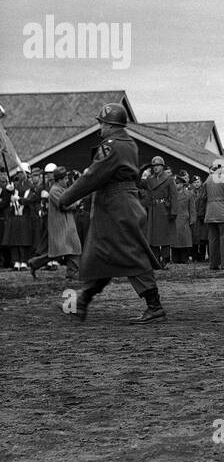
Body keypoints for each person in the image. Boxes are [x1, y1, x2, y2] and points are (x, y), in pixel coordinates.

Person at [55, 103, 166, 323]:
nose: (100, 128)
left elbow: (92, 176)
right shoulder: (129, 143)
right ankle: (82, 301)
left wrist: (65, 197)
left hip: (117, 206)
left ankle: (154, 306)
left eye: (102, 123)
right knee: (104, 255)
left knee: (130, 254)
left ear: (110, 124)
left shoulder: (111, 145)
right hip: (119, 204)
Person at [27, 164, 81, 279]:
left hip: (66, 223)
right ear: (59, 180)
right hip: (60, 225)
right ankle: (71, 271)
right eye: (65, 178)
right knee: (65, 249)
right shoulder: (55, 191)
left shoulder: (62, 189)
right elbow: (63, 205)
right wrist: (77, 203)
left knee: (67, 248)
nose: (67, 180)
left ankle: (35, 263)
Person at [143, 155, 175, 267]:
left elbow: (174, 196)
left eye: (158, 165)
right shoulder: (149, 179)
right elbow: (147, 195)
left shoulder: (169, 179)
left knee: (165, 236)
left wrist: (173, 212)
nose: (156, 167)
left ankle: (165, 259)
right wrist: (145, 209)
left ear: (162, 166)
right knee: (152, 236)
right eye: (154, 166)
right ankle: (155, 260)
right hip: (152, 209)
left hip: (164, 209)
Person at [203, 161, 224, 269]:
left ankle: (213, 264)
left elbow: (203, 197)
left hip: (210, 213)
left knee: (213, 240)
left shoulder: (208, 178)